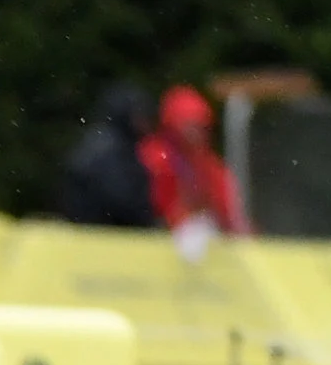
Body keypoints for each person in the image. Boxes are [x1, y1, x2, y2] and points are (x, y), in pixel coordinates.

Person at [140, 83, 251, 258]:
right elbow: (155, 203)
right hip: (163, 236)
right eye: (190, 125)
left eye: (201, 126)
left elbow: (227, 208)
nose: (196, 132)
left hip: (204, 238)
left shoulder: (209, 163)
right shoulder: (156, 155)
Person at [56, 83, 158, 228]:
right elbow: (120, 200)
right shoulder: (110, 149)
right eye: (139, 114)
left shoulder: (103, 141)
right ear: (126, 115)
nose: (144, 122)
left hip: (92, 230)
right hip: (100, 233)